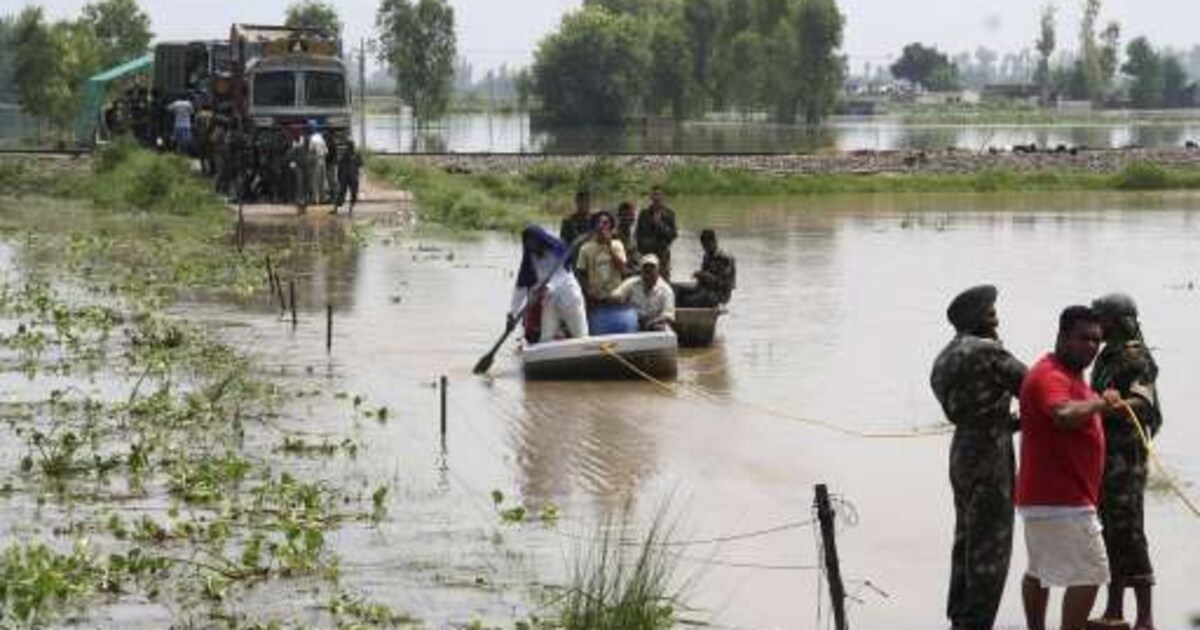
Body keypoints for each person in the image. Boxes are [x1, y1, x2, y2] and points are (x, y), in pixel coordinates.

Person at [1017, 305, 1124, 630]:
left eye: (1096, 340)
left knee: (1040, 571)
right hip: (1062, 499)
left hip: (1049, 498)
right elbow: (1063, 415)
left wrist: (1101, 404)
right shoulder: (1050, 375)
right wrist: (1100, 403)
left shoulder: (1070, 376)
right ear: (1062, 336)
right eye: (1083, 338)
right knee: (1092, 572)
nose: (1091, 346)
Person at [930, 285, 1028, 630]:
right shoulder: (987, 351)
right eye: (990, 313)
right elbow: (1034, 387)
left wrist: (1009, 421)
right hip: (991, 454)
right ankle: (977, 623)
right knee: (991, 547)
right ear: (978, 319)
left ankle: (960, 617)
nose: (997, 318)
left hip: (962, 451)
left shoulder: (943, 357)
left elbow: (972, 410)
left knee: (965, 538)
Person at [1090, 294, 1162, 630]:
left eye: (1101, 317)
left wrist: (1111, 405)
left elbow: (1143, 403)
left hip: (1127, 456)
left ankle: (1145, 618)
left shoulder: (1136, 356)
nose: (1096, 323)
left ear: (1119, 320)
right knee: (1108, 531)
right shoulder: (1107, 354)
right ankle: (1114, 610)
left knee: (1129, 530)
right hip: (1105, 453)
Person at [510, 224, 589, 344]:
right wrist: (512, 313)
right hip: (550, 301)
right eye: (528, 243)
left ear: (540, 240)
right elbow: (521, 287)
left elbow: (562, 275)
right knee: (545, 340)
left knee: (581, 338)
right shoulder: (530, 259)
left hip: (570, 299)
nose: (531, 246)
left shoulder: (557, 251)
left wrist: (547, 287)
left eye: (533, 242)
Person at [610, 254, 675, 331]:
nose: (648, 270)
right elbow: (616, 295)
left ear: (658, 270)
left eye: (652, 267)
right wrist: (616, 298)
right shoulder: (631, 283)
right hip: (632, 323)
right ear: (641, 270)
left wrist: (651, 323)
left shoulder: (666, 290)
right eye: (645, 267)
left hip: (655, 324)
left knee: (665, 329)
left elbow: (669, 316)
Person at [575, 210, 627, 305]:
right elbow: (580, 273)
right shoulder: (585, 248)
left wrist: (609, 247)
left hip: (615, 296)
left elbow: (622, 269)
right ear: (594, 226)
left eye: (605, 223)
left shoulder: (617, 245)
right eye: (598, 222)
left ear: (610, 226)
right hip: (595, 298)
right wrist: (587, 291)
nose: (601, 225)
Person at [676, 229, 737, 308]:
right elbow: (704, 275)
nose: (705, 249)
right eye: (704, 246)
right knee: (678, 290)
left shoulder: (725, 258)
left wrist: (708, 277)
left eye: (707, 245)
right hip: (705, 290)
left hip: (719, 294)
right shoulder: (707, 256)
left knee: (688, 300)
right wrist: (699, 275)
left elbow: (725, 285)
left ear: (714, 241)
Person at [635, 186, 678, 279]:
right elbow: (638, 235)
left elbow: (673, 235)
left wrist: (660, 225)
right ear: (651, 197)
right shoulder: (644, 214)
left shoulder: (670, 214)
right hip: (647, 254)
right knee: (646, 280)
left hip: (663, 255)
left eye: (659, 194)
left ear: (663, 197)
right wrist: (642, 249)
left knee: (664, 281)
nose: (656, 197)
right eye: (654, 194)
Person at [335, 140, 363, 213]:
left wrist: (338, 176)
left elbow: (339, 166)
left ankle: (337, 209)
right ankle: (350, 208)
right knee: (351, 192)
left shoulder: (345, 154)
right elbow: (360, 166)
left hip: (346, 176)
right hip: (352, 176)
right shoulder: (355, 154)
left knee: (342, 192)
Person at [307, 125, 329, 204]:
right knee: (322, 181)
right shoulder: (321, 139)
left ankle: (314, 199)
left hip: (316, 160)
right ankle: (322, 199)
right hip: (322, 160)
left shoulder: (312, 139)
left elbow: (311, 150)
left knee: (314, 181)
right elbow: (326, 151)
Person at [616, 200, 640, 272]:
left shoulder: (635, 233)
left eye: (631, 215)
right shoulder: (614, 235)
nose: (628, 218)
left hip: (633, 269)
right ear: (619, 216)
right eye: (625, 215)